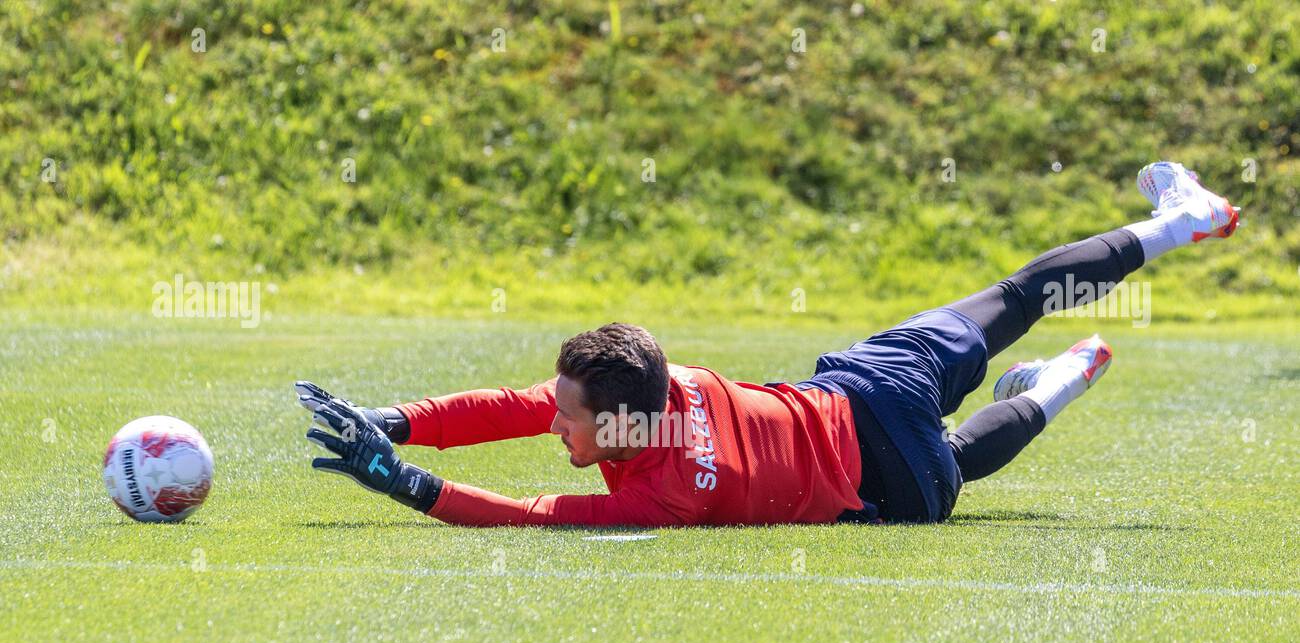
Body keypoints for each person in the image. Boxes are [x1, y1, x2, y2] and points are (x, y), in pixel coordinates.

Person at [296, 162, 1239, 527]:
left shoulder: (661, 494)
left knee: (956, 465)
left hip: (895, 491)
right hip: (872, 388)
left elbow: (534, 517)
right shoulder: (665, 384)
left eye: (571, 420)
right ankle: (1179, 226)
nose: (555, 427)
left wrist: (407, 472)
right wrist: (397, 426)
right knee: (1020, 294)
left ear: (624, 421)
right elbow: (522, 414)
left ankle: (1062, 385)